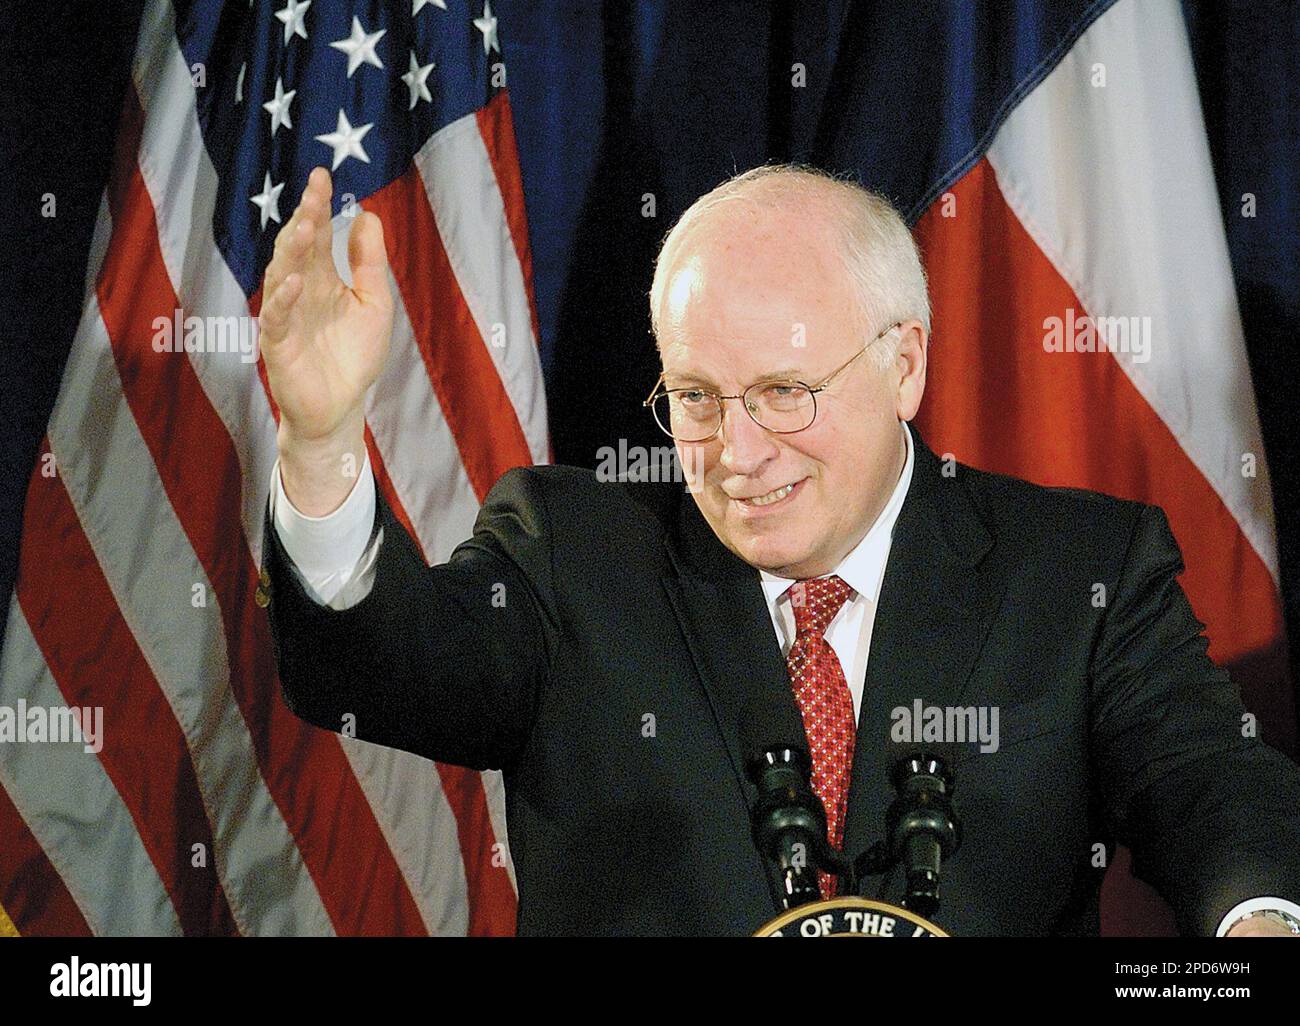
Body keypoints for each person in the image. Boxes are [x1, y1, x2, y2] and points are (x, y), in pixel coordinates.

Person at [255, 163, 1300, 936]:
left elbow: (1202, 777)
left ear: (903, 365)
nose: (738, 454)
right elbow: (382, 667)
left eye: (784, 394)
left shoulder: (1078, 570)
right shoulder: (573, 555)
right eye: (697, 400)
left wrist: (1256, 919)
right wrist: (318, 441)